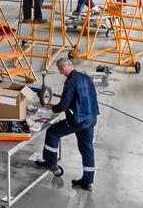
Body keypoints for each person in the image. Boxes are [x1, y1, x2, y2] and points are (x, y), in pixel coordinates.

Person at [35, 57, 99, 191]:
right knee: (87, 149)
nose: (60, 73)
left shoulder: (70, 82)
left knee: (53, 132)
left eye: (60, 70)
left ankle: (50, 162)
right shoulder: (85, 77)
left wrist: (51, 107)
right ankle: (87, 181)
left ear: (64, 68)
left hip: (78, 120)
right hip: (91, 118)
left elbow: (63, 106)